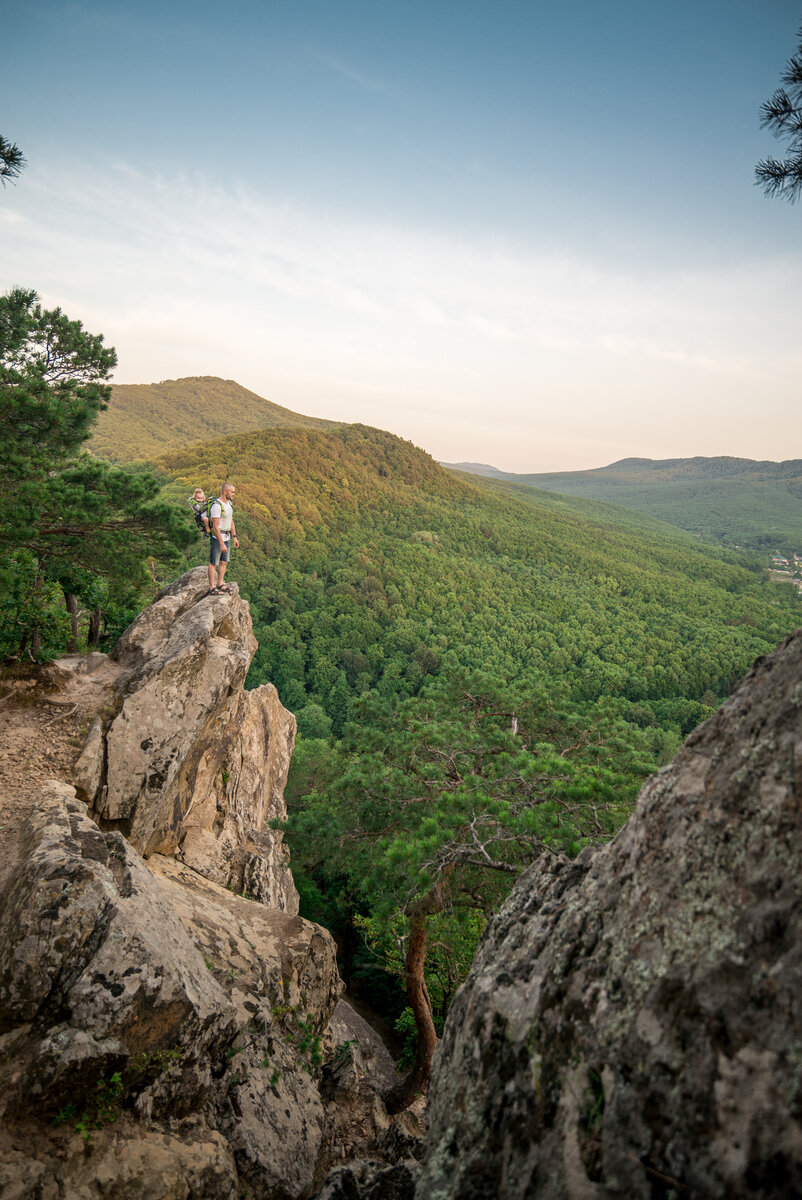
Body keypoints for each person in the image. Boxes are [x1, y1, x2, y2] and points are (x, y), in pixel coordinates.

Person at [208, 483, 240, 595]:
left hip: (227, 537)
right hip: (218, 539)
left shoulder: (229, 504)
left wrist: (234, 536)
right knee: (214, 563)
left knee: (224, 562)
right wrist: (221, 543)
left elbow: (231, 521)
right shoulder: (217, 506)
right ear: (224, 492)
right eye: (232, 492)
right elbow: (215, 527)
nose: (234, 494)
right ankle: (212, 587)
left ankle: (220, 584)